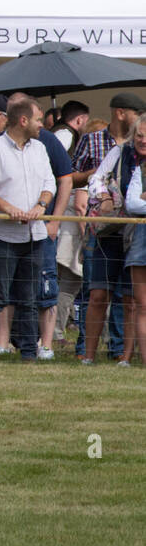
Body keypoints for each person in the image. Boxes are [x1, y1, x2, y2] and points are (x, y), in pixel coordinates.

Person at [0, 96, 56, 362]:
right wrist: (8, 208)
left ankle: (29, 354)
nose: (42, 125)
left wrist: (41, 206)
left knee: (30, 299)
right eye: (38, 119)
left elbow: (50, 183)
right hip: (3, 235)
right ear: (23, 120)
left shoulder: (40, 149)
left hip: (34, 235)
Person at [82, 105, 146, 365]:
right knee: (98, 294)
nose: (143, 140)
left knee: (132, 299)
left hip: (138, 233)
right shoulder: (119, 152)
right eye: (140, 135)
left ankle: (125, 356)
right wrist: (104, 195)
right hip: (110, 230)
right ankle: (88, 356)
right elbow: (96, 179)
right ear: (134, 134)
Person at [120, 117, 146, 365]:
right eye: (139, 135)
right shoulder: (141, 170)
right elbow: (133, 204)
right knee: (142, 305)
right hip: (141, 244)